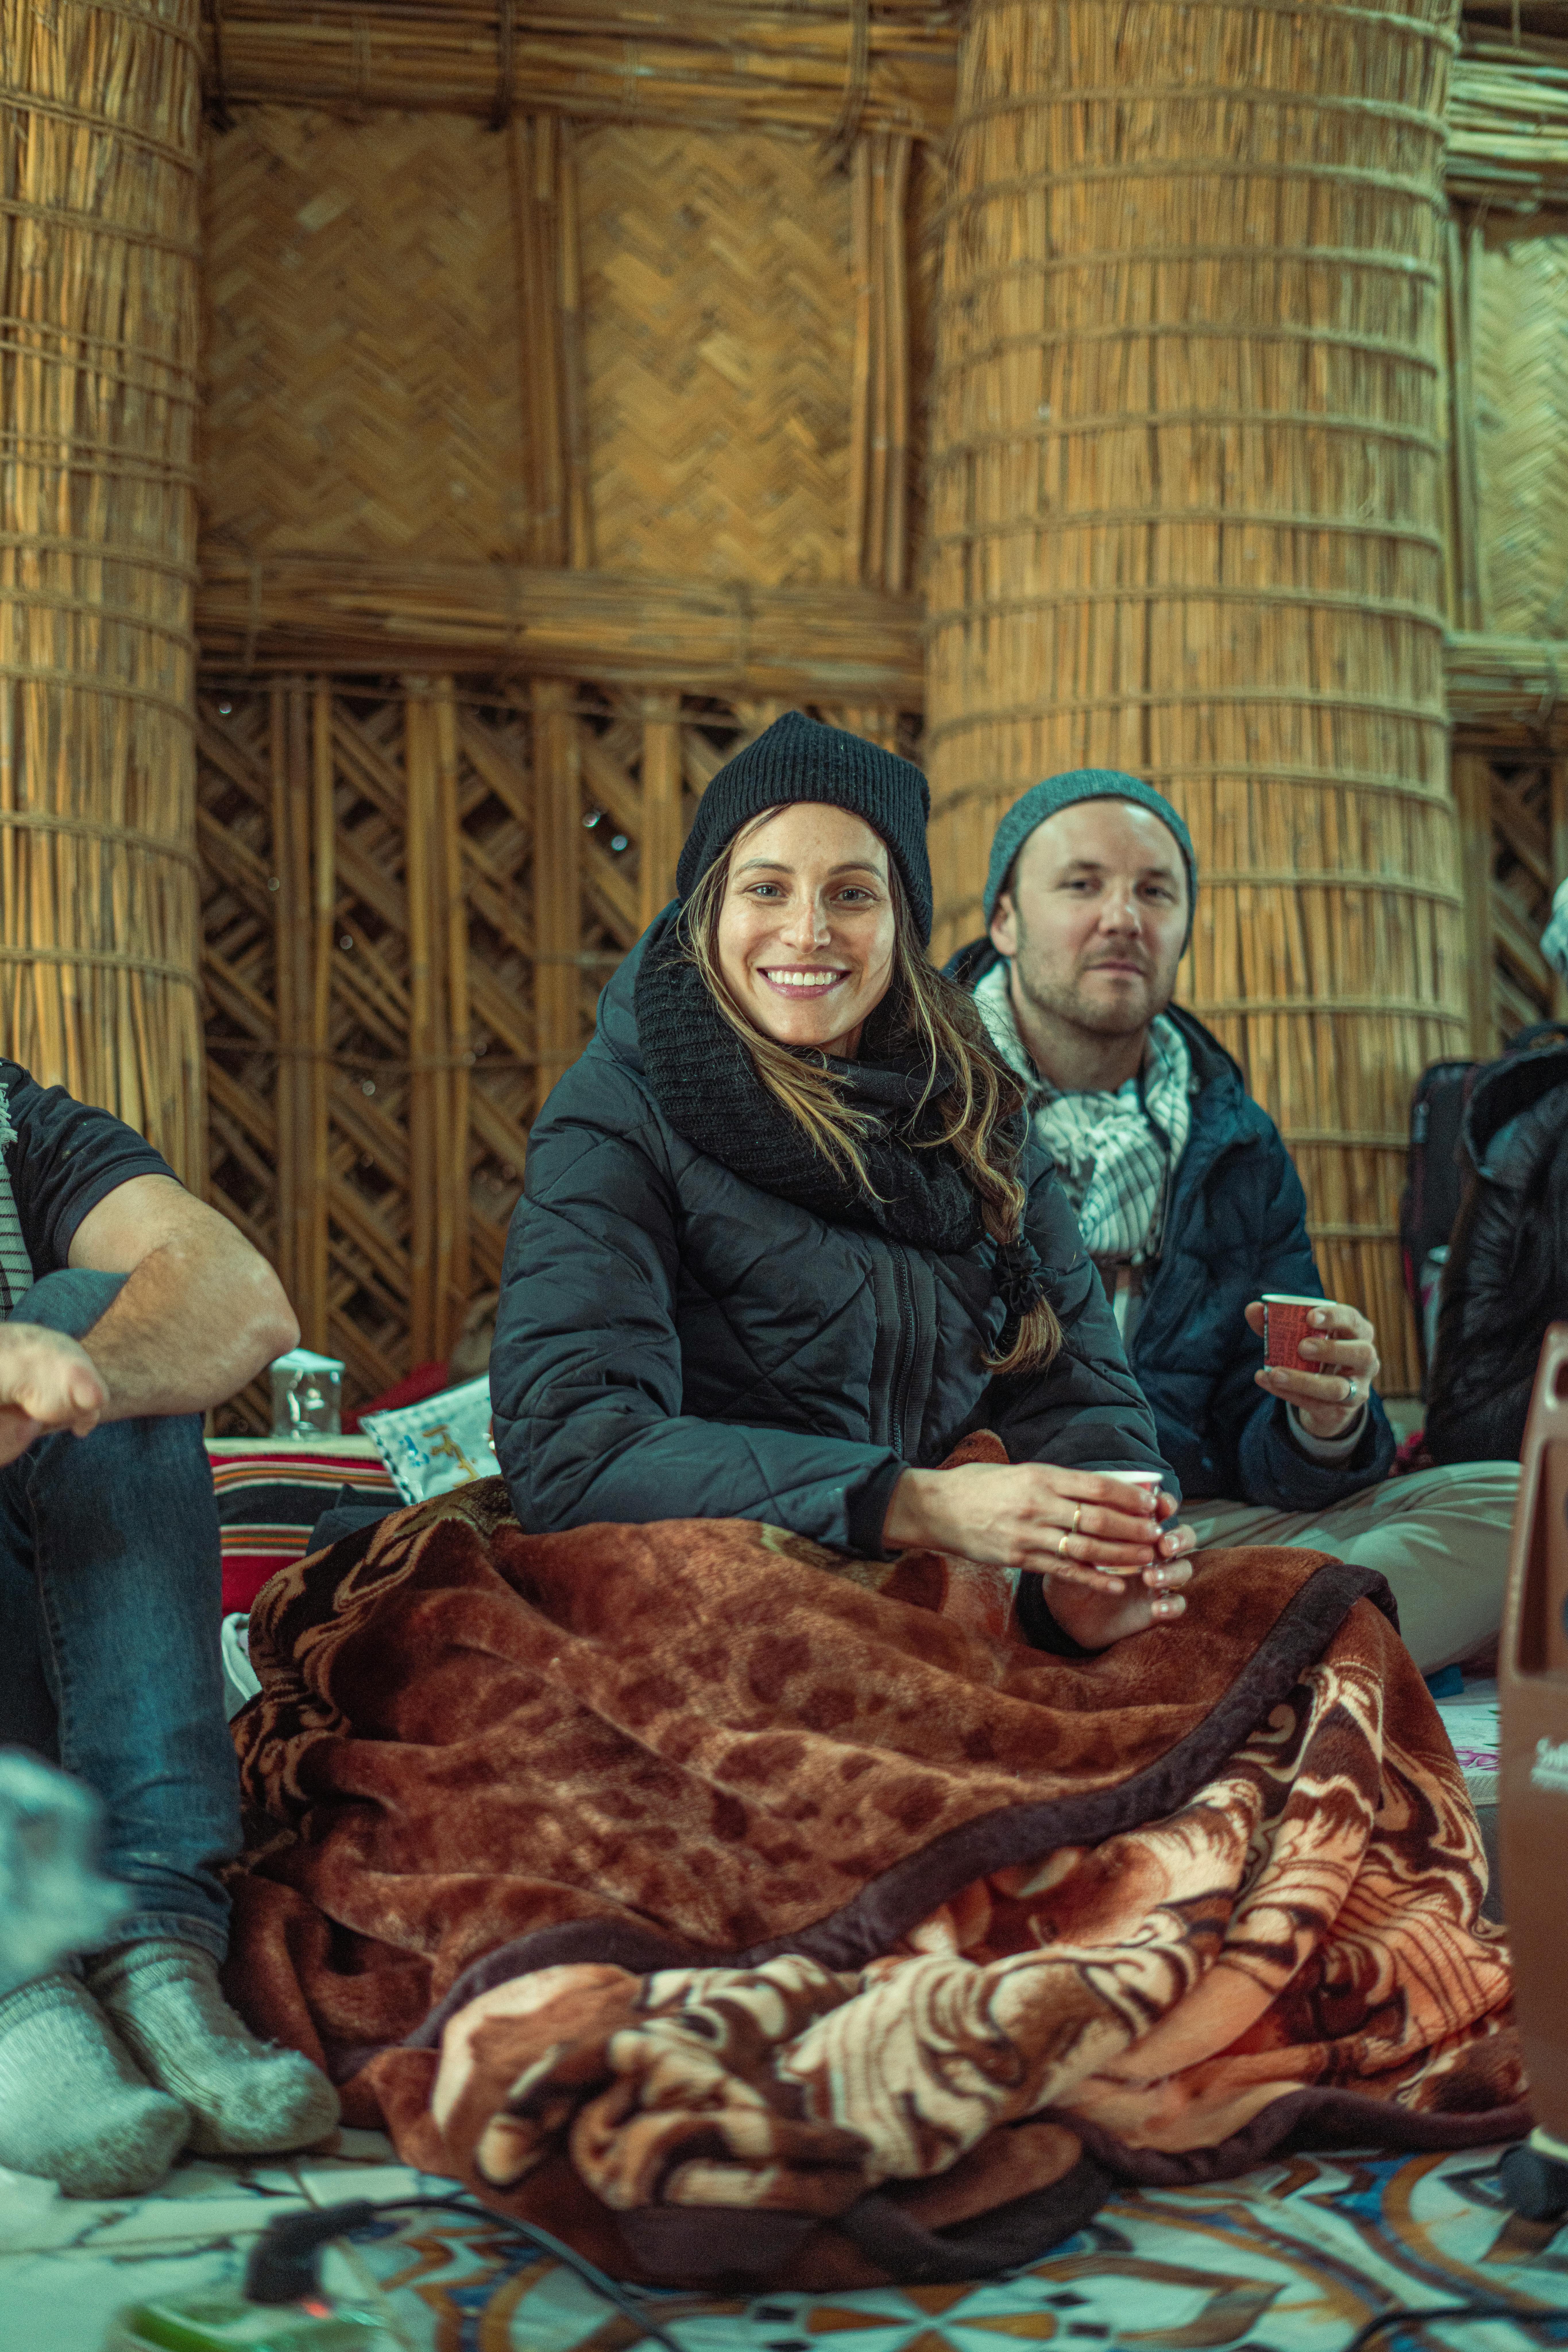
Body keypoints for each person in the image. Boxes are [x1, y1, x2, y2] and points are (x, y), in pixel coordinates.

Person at [490, 712, 1196, 1657]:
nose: (809, 932)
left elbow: (1084, 1403)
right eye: (767, 888)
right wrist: (913, 1503)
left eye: (853, 894)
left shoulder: (975, 1113)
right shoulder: (617, 1118)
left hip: (933, 1594)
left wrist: (1089, 1571)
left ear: (902, 920)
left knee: (1322, 1626)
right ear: (711, 909)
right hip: (694, 1603)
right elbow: (579, 1449)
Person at [949, 768, 1519, 1676]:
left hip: (1192, 1526)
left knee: (1522, 1511)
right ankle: (1258, 1651)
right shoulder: (926, 1104)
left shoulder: (1233, 1140)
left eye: (1155, 891)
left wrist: (1322, 1422)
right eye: (1082, 885)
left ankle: (1183, 1656)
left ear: (1182, 926)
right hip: (997, 1535)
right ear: (1007, 921)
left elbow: (1268, 1445)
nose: (1123, 917)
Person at [0, 1072, 339, 2193]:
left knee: (94, 1310)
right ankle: (17, 1983)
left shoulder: (16, 1122)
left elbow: (239, 1295)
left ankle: (153, 1947)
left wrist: (69, 1382)